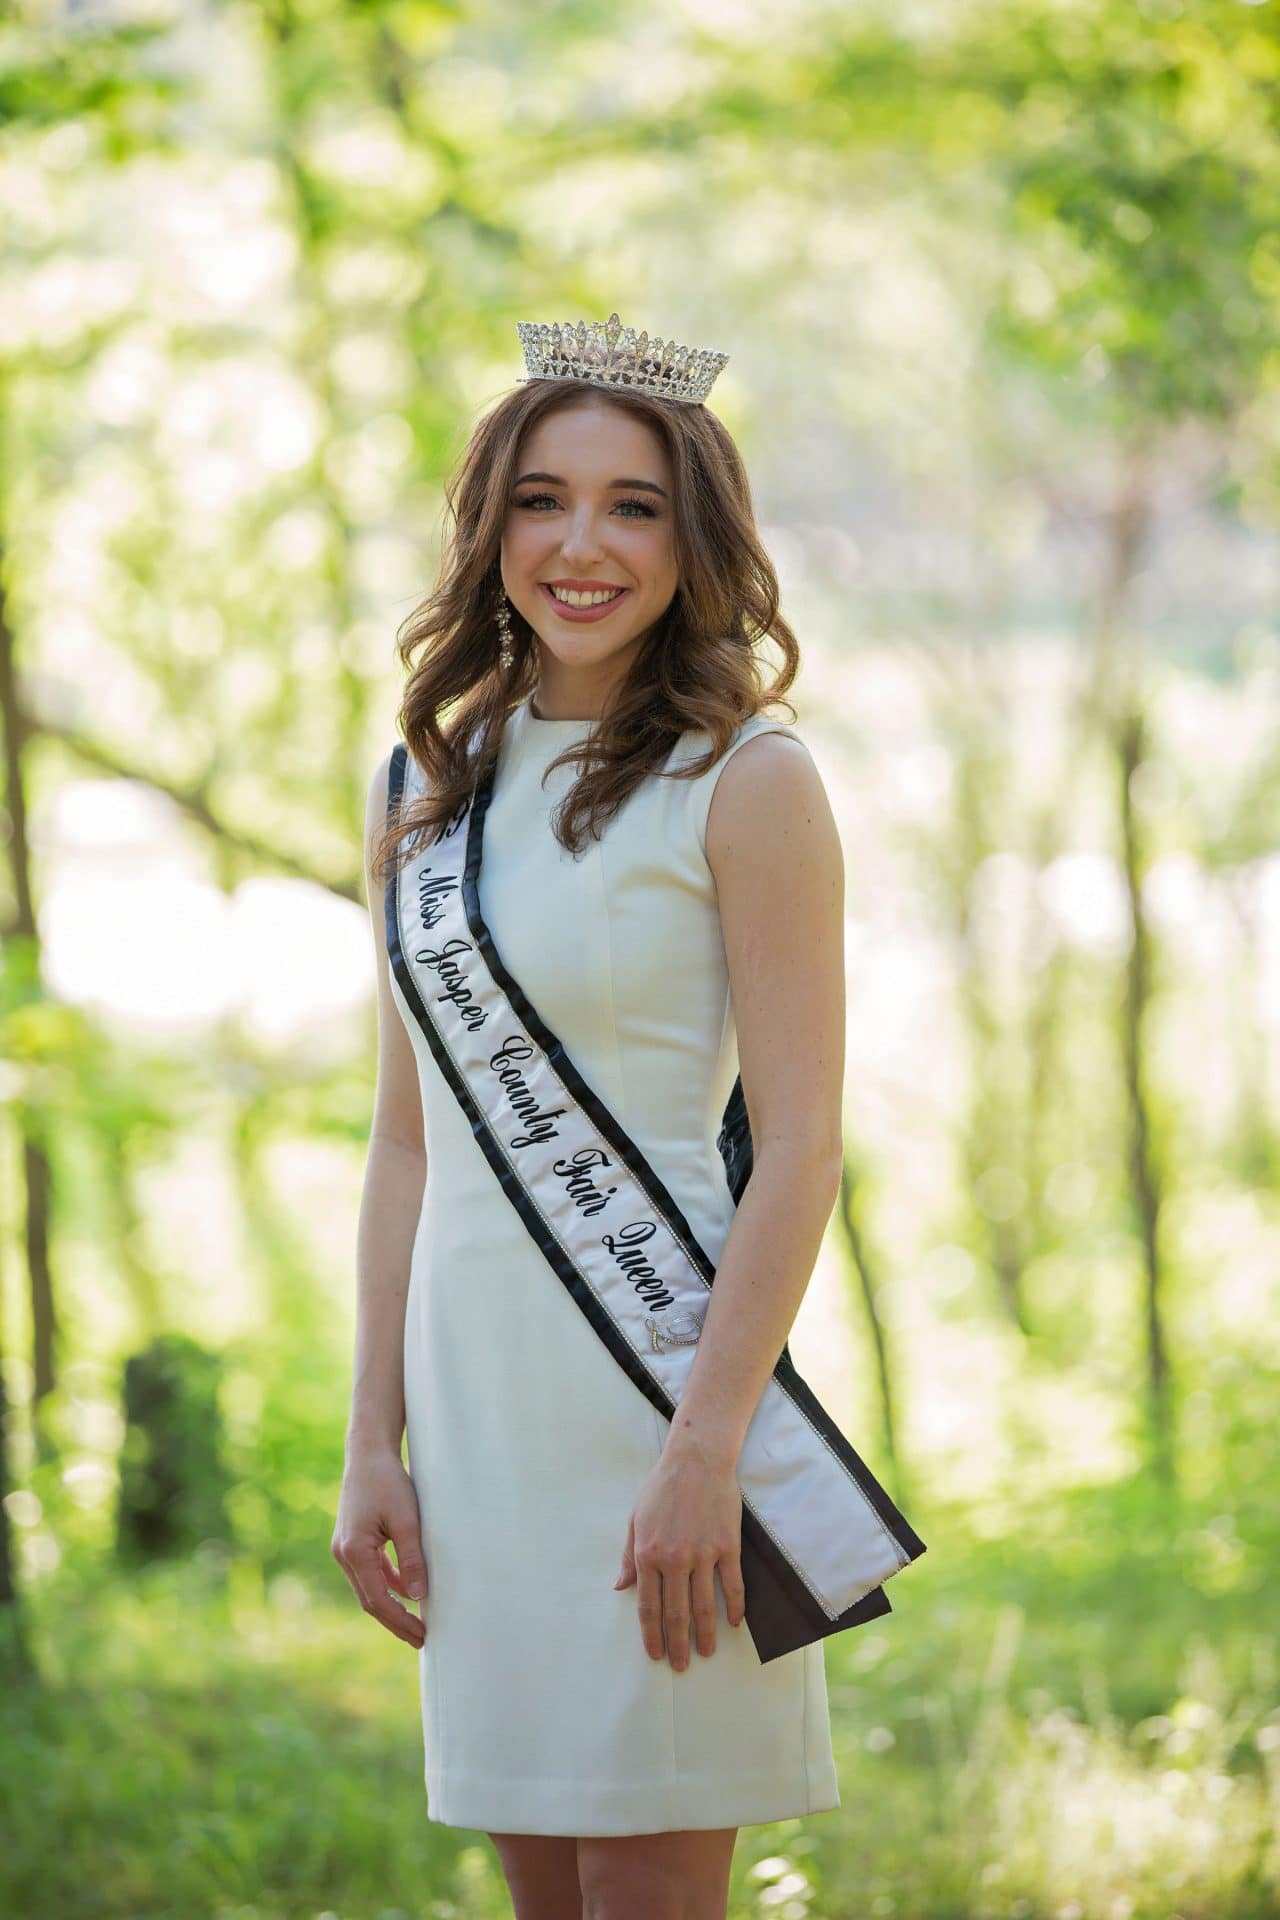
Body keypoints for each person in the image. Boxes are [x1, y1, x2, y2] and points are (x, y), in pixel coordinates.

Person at [333, 313, 850, 1920]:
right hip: (480, 1413)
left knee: (647, 1879)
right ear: (488, 528)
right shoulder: (429, 776)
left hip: (661, 1396)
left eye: (634, 504)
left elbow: (806, 1146)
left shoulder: (748, 778)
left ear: (697, 536)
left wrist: (706, 1451)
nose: (582, 544)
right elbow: (408, 1140)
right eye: (542, 499)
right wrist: (373, 1437)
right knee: (543, 1888)